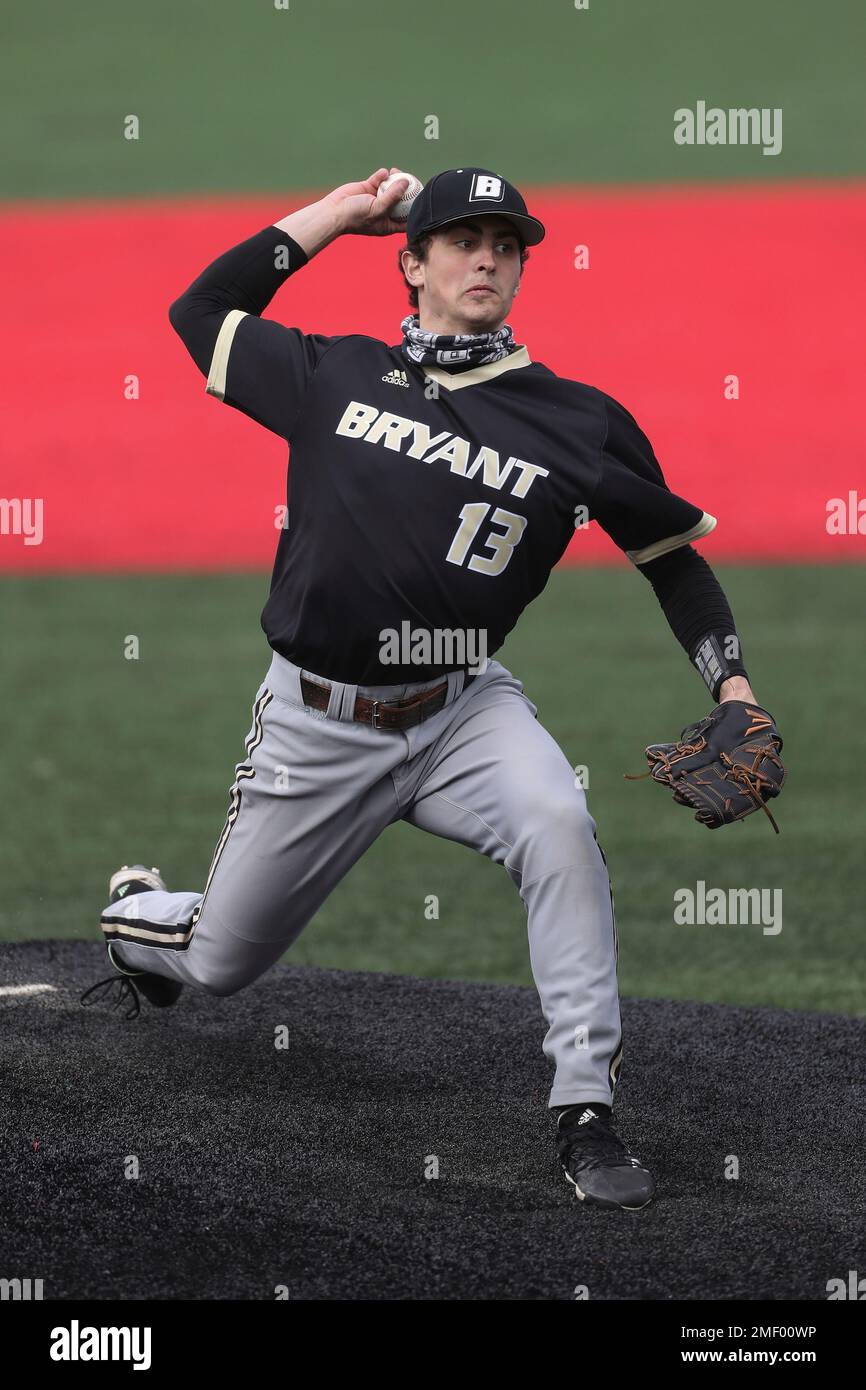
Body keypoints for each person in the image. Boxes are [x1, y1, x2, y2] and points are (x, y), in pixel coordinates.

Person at [82, 166, 763, 1212]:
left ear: (524, 266)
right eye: (458, 239)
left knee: (556, 822)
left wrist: (734, 686)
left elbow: (670, 556)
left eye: (505, 242)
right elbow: (200, 312)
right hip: (317, 728)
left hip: (461, 711)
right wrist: (337, 214)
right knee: (218, 962)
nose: (484, 256)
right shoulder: (331, 374)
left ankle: (583, 1109)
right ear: (410, 263)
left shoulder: (578, 423)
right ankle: (136, 914)